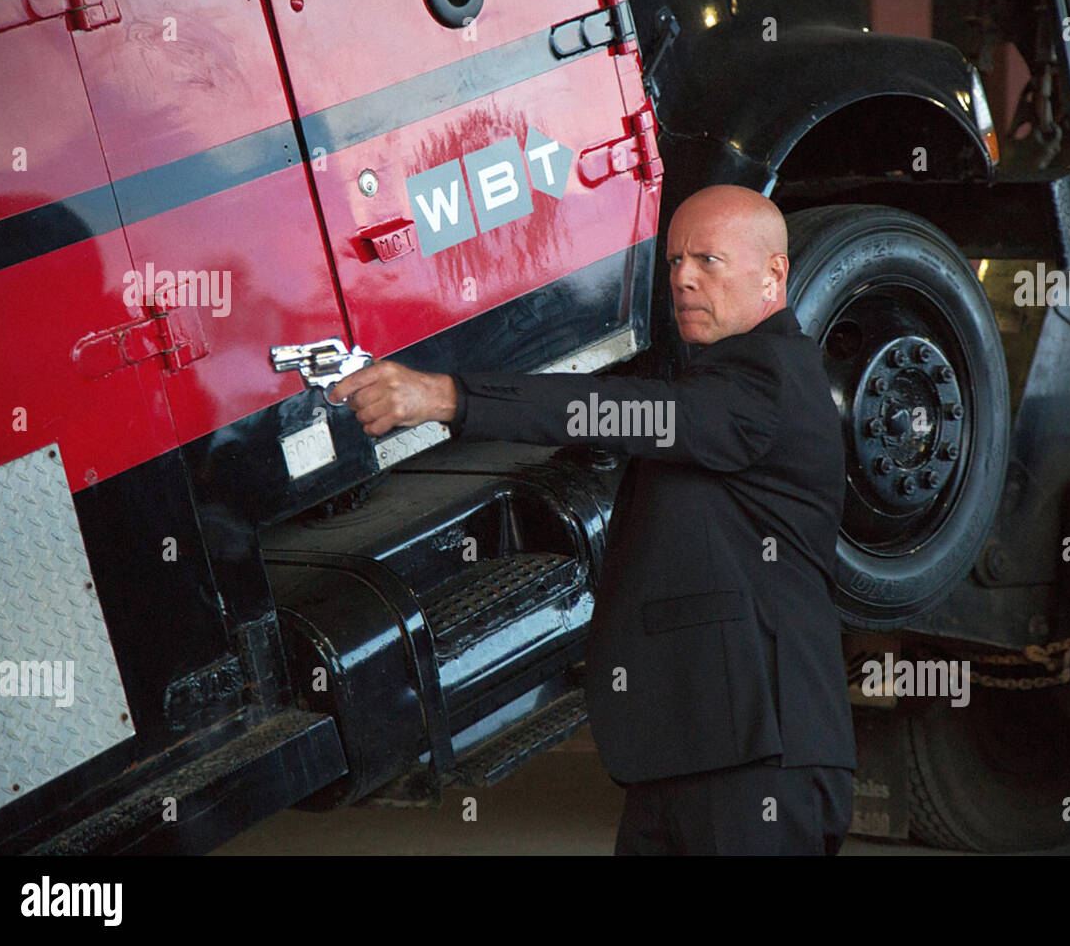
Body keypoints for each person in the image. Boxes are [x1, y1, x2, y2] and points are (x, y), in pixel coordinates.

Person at [329, 184, 857, 854]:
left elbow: (614, 409)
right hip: (693, 755)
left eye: (708, 261)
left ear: (772, 274)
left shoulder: (770, 379)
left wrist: (446, 397)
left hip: (762, 762)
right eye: (672, 262)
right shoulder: (718, 382)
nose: (684, 279)